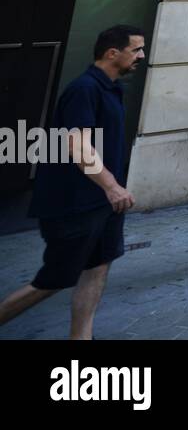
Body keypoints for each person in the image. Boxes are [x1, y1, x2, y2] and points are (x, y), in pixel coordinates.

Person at [0, 26, 144, 339]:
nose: (141, 56)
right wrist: (112, 186)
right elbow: (77, 145)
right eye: (136, 50)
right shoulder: (84, 89)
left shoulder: (112, 87)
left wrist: (110, 190)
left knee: (99, 265)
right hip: (73, 202)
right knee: (53, 279)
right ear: (112, 53)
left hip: (103, 202)